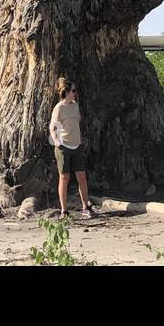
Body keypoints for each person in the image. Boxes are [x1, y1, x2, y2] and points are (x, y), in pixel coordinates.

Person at [49, 77, 94, 219]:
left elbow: (77, 121)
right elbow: (53, 127)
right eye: (73, 91)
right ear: (66, 92)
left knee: (82, 176)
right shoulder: (59, 108)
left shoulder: (75, 105)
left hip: (77, 145)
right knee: (64, 177)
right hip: (64, 147)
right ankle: (64, 210)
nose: (75, 93)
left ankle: (85, 206)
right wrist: (57, 141)